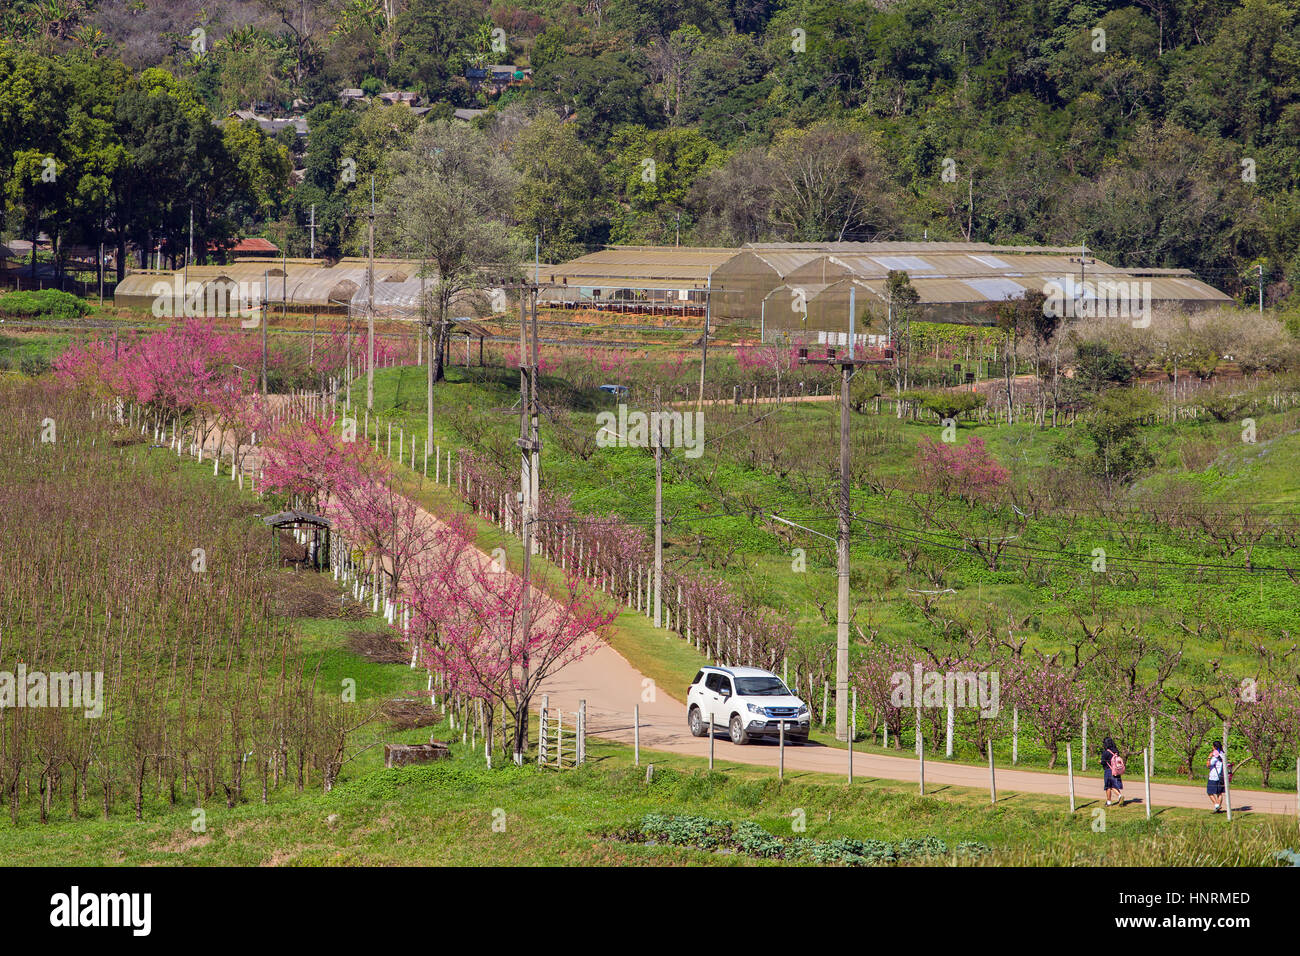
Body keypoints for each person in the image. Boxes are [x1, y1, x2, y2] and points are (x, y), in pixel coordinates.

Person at [1101, 736, 1124, 806]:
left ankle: (1109, 802)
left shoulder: (1106, 752)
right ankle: (1120, 796)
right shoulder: (1116, 751)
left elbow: (1103, 762)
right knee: (1114, 785)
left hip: (1108, 771)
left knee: (1108, 787)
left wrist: (1100, 762)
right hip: (1116, 770)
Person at [1206, 741, 1226, 812]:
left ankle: (1216, 805)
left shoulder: (1215, 756)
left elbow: (1208, 765)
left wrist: (1209, 757)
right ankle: (1218, 807)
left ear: (1215, 747)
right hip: (1221, 776)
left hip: (1213, 776)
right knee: (1219, 793)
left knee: (1209, 792)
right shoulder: (1223, 754)